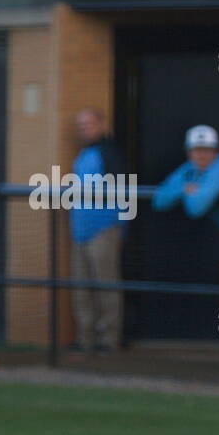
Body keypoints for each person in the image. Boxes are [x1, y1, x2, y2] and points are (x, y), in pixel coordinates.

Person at [151, 125, 219, 384]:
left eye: (207, 150)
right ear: (190, 152)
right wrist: (185, 188)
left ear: (216, 151)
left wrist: (190, 191)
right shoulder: (190, 171)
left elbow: (196, 207)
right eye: (197, 150)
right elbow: (160, 199)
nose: (202, 155)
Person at [68, 107, 128, 356]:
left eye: (89, 124)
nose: (85, 129)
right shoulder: (83, 153)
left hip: (103, 229)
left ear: (101, 124)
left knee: (106, 286)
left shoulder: (110, 152)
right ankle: (86, 338)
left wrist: (121, 226)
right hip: (80, 230)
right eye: (81, 125)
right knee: (81, 288)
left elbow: (125, 187)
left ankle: (109, 339)